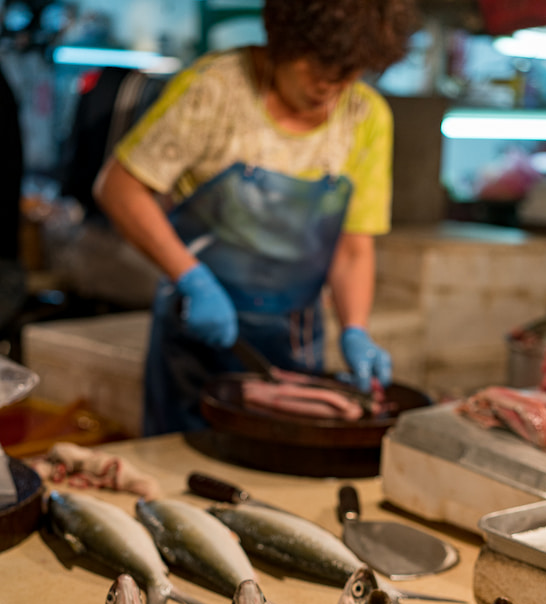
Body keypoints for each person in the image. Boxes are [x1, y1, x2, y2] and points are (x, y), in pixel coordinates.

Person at [94, 0, 417, 436]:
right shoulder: (213, 89)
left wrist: (356, 327)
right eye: (315, 67)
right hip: (196, 324)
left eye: (346, 74)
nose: (328, 87)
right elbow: (119, 187)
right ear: (284, 40)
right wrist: (190, 278)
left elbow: (354, 244)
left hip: (296, 337)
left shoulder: (366, 116)